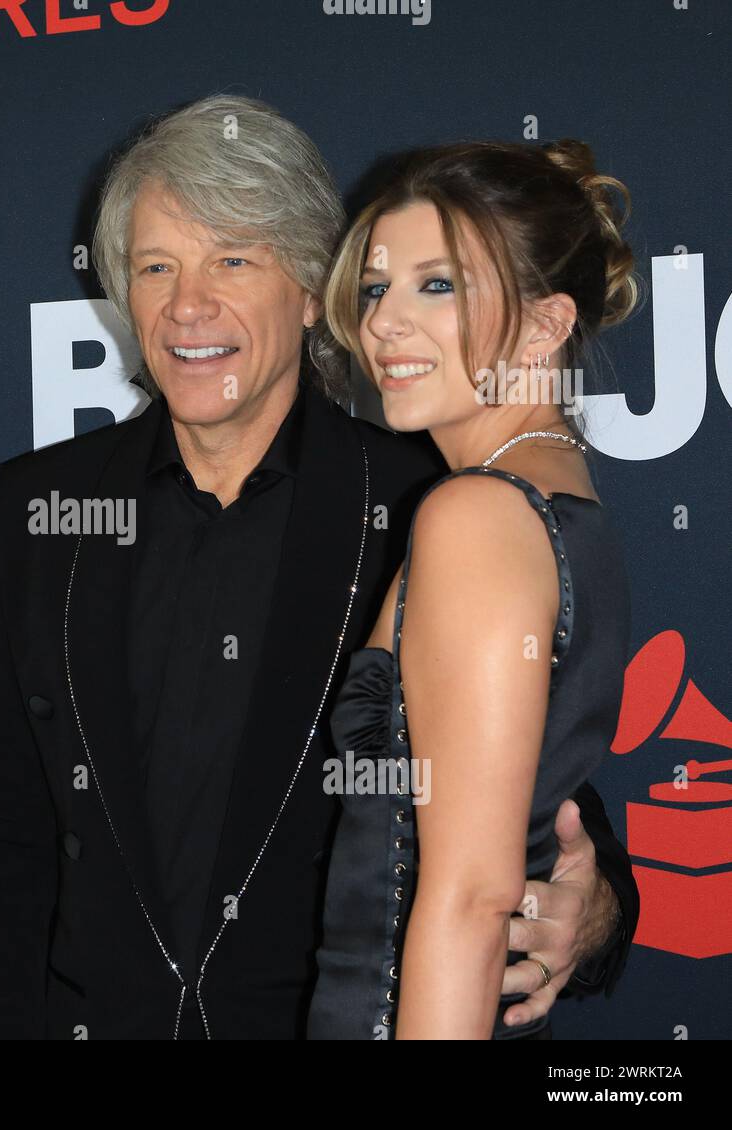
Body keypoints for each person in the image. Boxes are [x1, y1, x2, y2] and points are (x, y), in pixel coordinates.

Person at [0, 96, 637, 1039]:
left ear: (313, 291)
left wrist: (591, 910)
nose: (190, 304)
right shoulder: (29, 513)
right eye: (156, 268)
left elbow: (528, 784)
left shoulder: (425, 500)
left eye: (234, 259)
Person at [307, 140, 637, 1039]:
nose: (384, 324)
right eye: (376, 288)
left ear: (543, 325)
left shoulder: (477, 515)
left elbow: (471, 902)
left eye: (437, 286)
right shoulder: (557, 499)